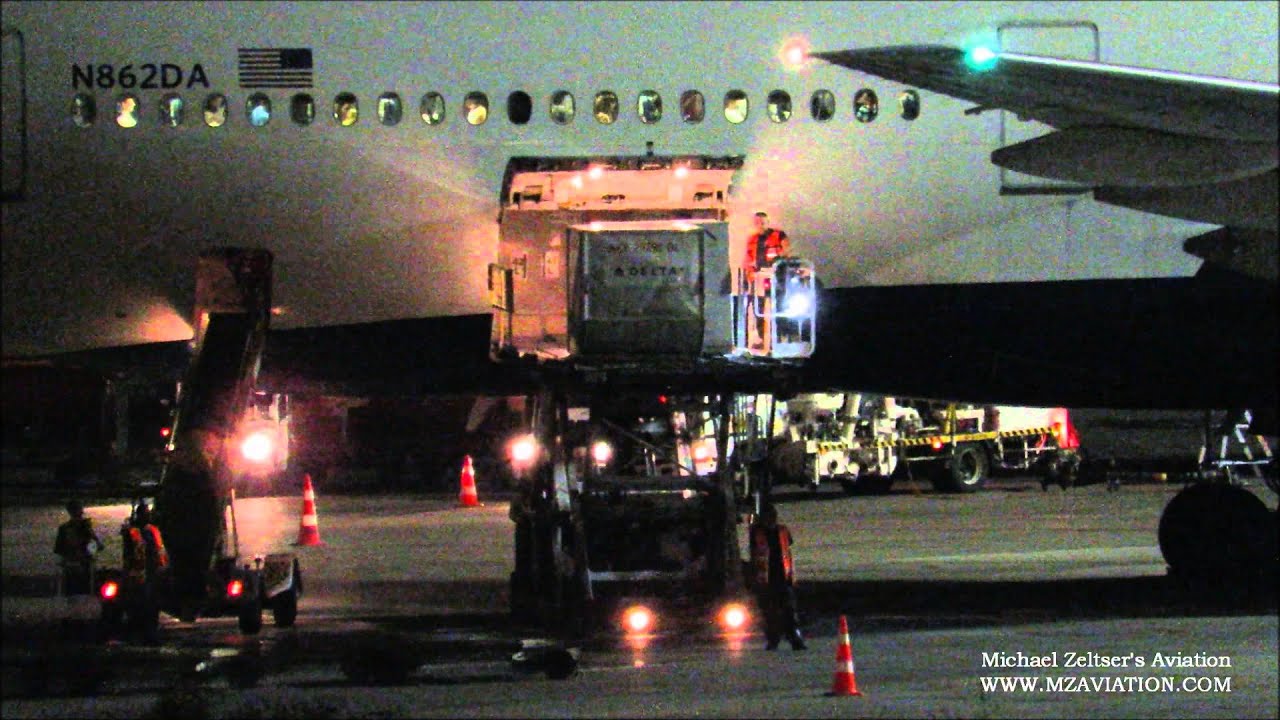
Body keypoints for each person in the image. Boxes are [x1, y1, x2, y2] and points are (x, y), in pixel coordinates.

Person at [749, 503, 805, 650]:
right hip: (768, 579)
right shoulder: (758, 532)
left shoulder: (781, 531)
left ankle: (794, 639)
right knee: (771, 612)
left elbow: (788, 553)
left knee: (789, 611)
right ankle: (775, 640)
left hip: (782, 577)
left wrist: (791, 575)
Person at [121, 502, 168, 642]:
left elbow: (159, 550)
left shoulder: (153, 530)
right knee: (141, 604)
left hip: (152, 572)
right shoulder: (132, 532)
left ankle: (150, 630)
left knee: (152, 604)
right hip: (139, 574)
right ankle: (143, 631)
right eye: (145, 513)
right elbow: (129, 554)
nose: (147, 515)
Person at [743, 212, 791, 348]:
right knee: (759, 309)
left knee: (780, 306)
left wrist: (776, 263)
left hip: (777, 278)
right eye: (757, 222)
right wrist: (750, 276)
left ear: (768, 222)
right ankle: (763, 338)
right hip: (759, 280)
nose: (760, 225)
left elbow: (786, 251)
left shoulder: (779, 235)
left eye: (763, 222)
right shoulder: (752, 239)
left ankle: (782, 336)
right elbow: (748, 259)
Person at [53, 499, 104, 596]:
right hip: (80, 566)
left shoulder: (66, 528)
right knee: (83, 592)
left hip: (76, 565)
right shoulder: (81, 528)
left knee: (73, 593)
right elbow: (98, 546)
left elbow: (59, 550)